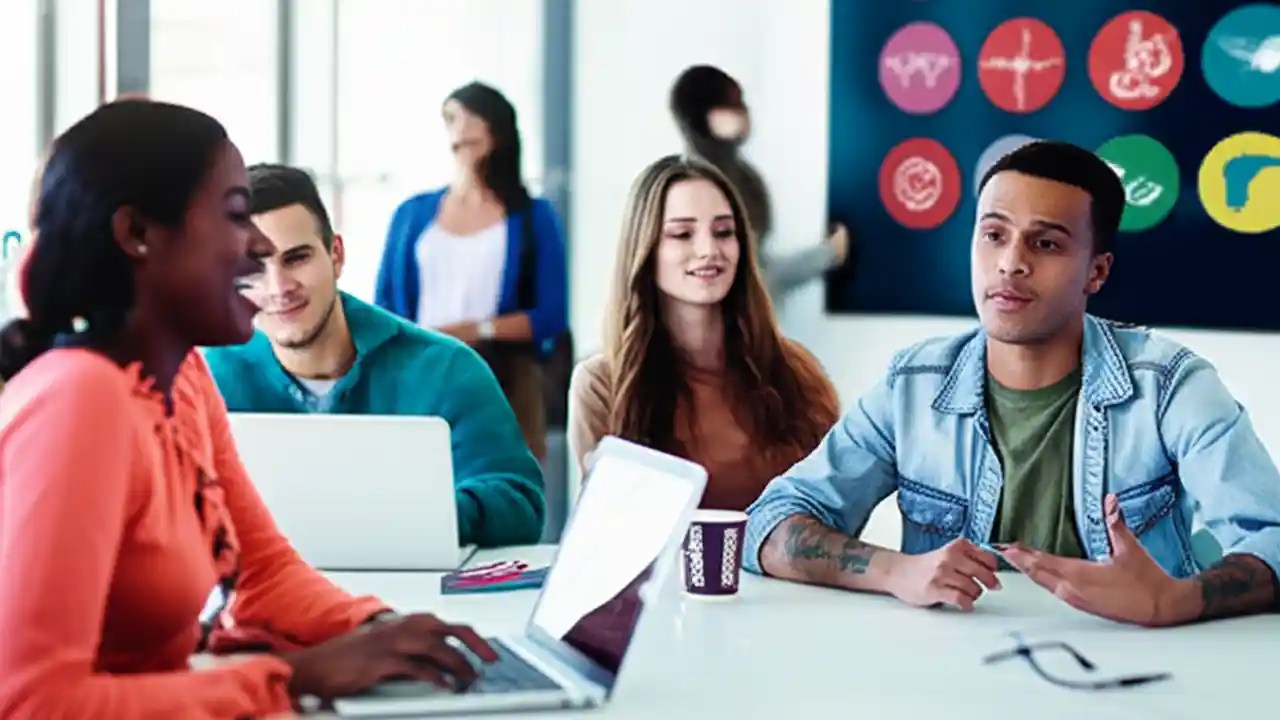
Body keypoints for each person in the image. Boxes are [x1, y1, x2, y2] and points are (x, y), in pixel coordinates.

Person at [0, 99, 497, 718]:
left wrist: (386, 633)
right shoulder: (81, 398)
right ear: (138, 235)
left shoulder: (183, 380)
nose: (260, 247)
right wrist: (288, 679)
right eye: (236, 215)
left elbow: (264, 573)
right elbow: (33, 702)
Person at [744, 140, 1280, 627]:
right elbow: (768, 523)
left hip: (1141, 673)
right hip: (959, 671)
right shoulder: (912, 387)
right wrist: (894, 570)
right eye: (994, 235)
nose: (1011, 263)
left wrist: (1174, 599)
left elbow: (1271, 537)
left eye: (1045, 244)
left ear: (1096, 272)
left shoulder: (1171, 387)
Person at [203, 163, 545, 548]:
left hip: (411, 582)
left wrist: (400, 516)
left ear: (336, 255)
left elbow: (521, 504)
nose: (278, 287)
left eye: (296, 258)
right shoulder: (206, 381)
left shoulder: (446, 369)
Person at [568, 155, 840, 512]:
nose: (709, 250)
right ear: (645, 249)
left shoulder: (798, 371)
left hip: (787, 553)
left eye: (724, 232)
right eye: (682, 234)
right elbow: (607, 526)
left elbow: (836, 505)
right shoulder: (602, 384)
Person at [375, 81, 568, 460]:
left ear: (498, 128)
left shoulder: (534, 216)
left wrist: (474, 330)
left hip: (506, 380)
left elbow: (551, 315)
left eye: (472, 117)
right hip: (421, 372)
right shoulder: (412, 214)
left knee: (504, 480)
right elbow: (383, 306)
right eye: (451, 118)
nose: (461, 128)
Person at [670, 65, 849, 300]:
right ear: (702, 118)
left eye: (740, 103)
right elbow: (749, 282)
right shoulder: (699, 188)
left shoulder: (740, 176)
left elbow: (756, 266)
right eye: (729, 106)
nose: (743, 113)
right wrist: (827, 255)